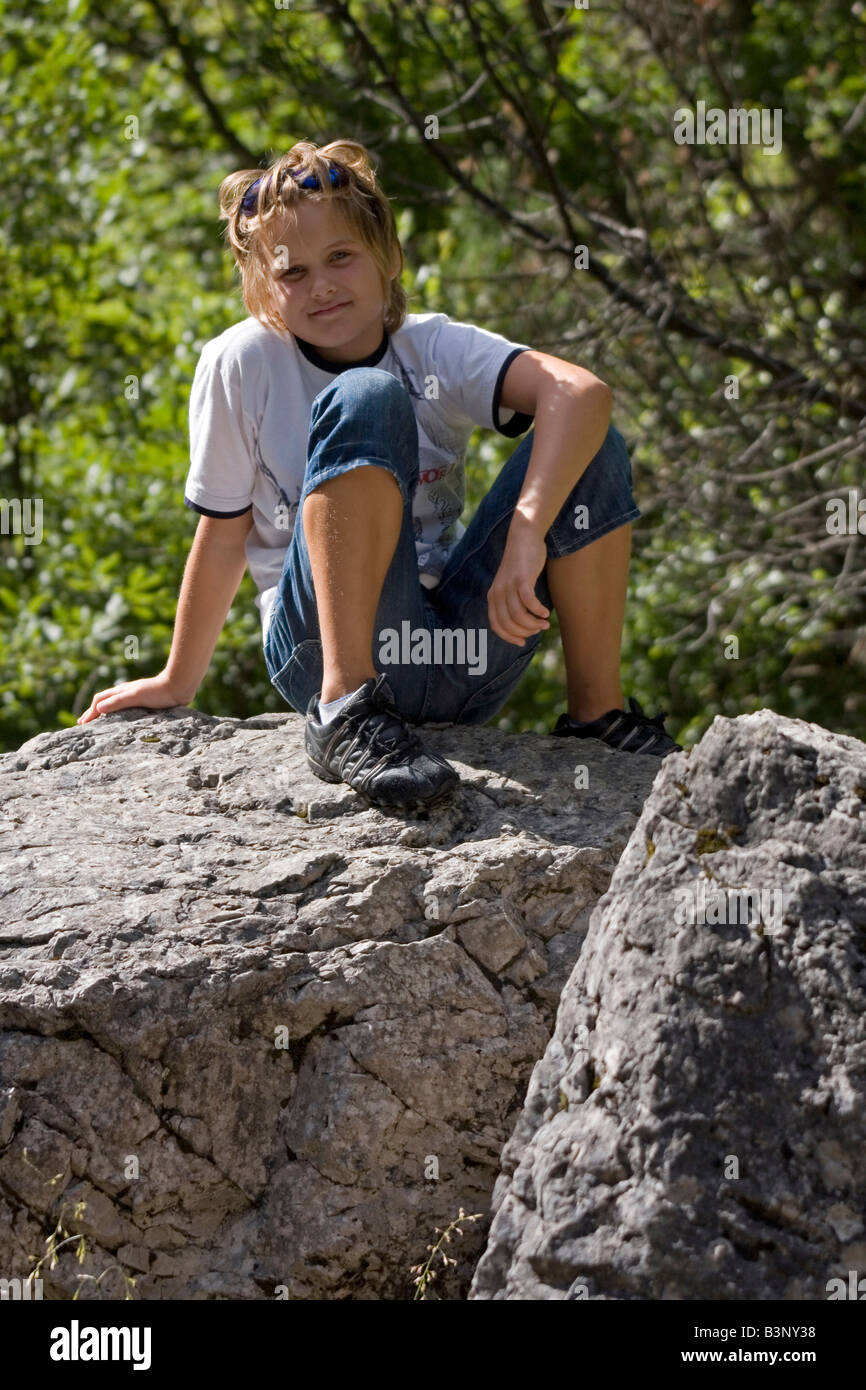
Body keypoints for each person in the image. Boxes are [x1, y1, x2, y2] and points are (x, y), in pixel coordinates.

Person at [77, 138, 680, 809]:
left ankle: (597, 717)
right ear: (261, 290)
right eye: (293, 272)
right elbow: (223, 534)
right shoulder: (241, 363)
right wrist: (176, 682)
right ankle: (344, 712)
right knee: (365, 398)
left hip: (457, 656)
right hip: (318, 646)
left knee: (592, 447)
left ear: (388, 258)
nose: (323, 285)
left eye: (341, 257)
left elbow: (582, 394)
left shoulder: (432, 345)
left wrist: (527, 531)